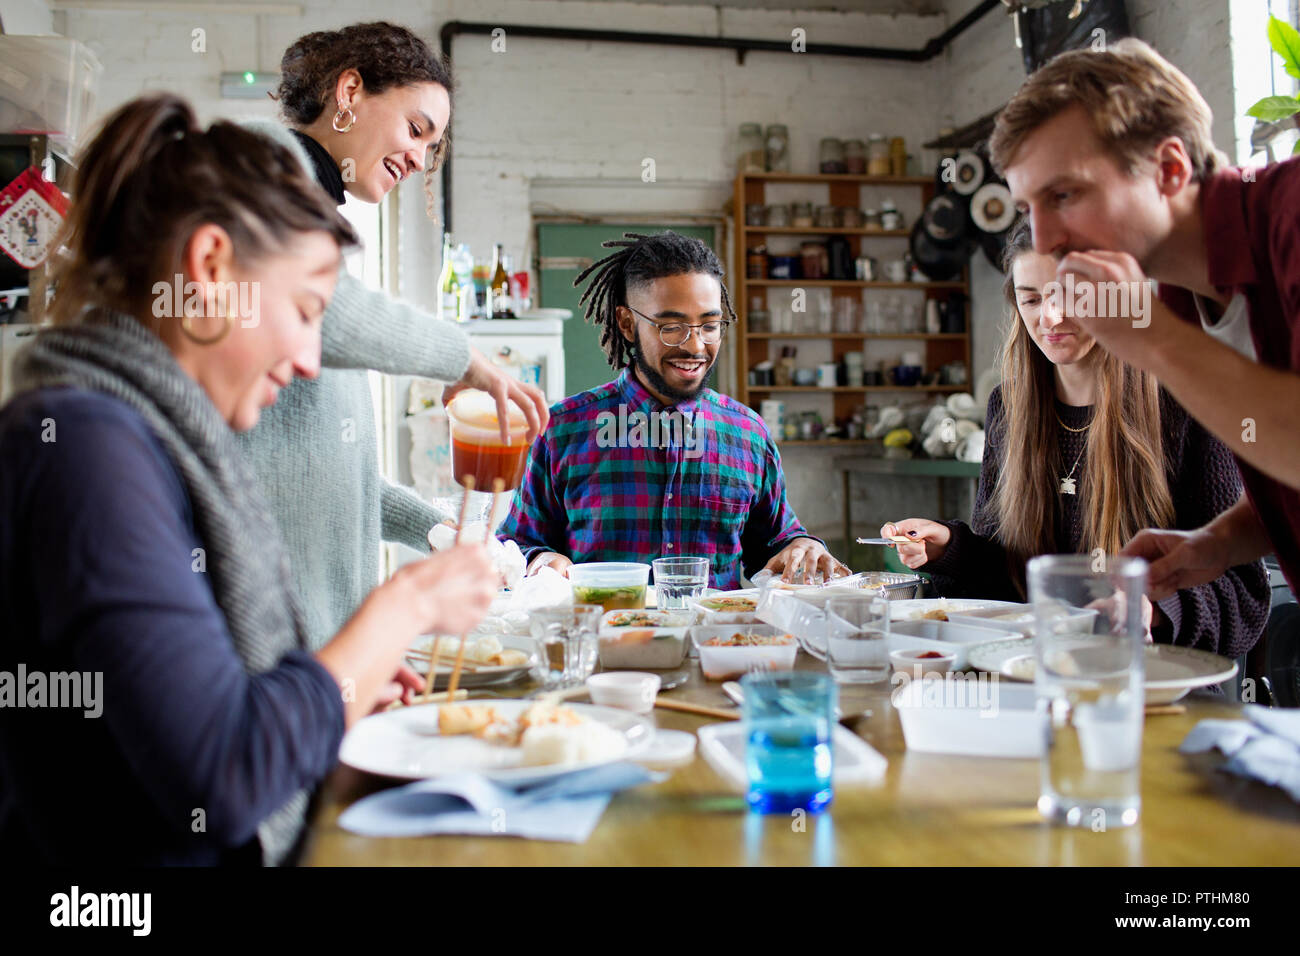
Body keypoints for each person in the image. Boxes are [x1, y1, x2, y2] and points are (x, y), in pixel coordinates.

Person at [0, 95, 496, 865]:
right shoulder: (86, 453)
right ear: (209, 268)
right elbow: (221, 776)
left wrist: (333, 692)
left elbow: (189, 707)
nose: (307, 359)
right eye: (304, 310)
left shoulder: (133, 432)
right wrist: (409, 604)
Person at [238, 22, 548, 648]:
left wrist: (440, 530)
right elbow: (317, 306)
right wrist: (466, 360)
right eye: (416, 130)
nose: (418, 160)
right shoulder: (268, 157)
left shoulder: (319, 221)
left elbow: (327, 467)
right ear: (349, 91)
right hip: (265, 625)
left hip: (322, 632)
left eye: (432, 147)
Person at [987, 37, 1300, 608]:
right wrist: (1218, 542)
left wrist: (1148, 335)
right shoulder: (1188, 299)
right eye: (1028, 209)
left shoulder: (1292, 216)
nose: (1045, 240)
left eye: (1064, 194)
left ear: (1170, 168)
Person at [881, 220, 1268, 657]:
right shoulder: (1007, 408)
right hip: (1030, 677)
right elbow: (1007, 578)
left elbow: (1243, 596)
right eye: (1030, 299)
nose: (1049, 318)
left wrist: (1153, 610)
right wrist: (949, 548)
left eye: (1069, 297)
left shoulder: (1184, 405)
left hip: (1152, 688)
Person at [498, 231, 847, 588]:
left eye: (709, 326)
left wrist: (801, 545)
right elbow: (516, 545)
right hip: (604, 639)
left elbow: (774, 542)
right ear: (627, 324)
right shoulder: (563, 430)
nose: (695, 345)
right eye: (672, 328)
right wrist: (540, 559)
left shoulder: (748, 434)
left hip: (720, 642)